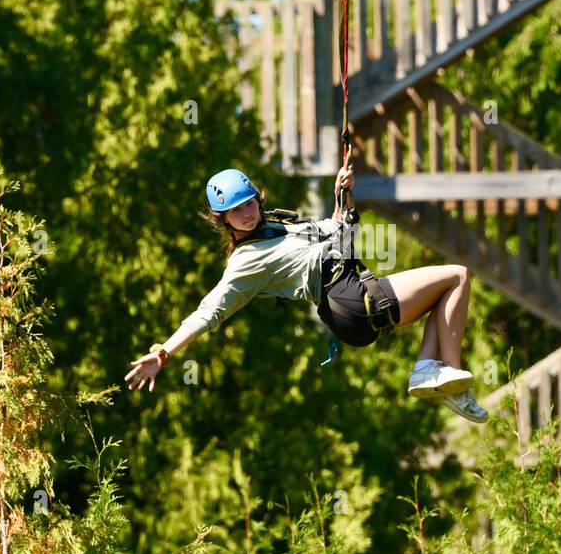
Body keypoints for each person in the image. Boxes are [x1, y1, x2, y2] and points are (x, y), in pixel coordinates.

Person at [124, 166, 488, 422]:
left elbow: (333, 230)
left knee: (442, 294)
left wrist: (340, 194)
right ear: (223, 220)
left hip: (352, 299)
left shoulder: (277, 226)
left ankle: (428, 369)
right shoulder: (244, 262)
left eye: (249, 203)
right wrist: (164, 352)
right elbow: (209, 311)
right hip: (350, 300)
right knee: (456, 276)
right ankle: (450, 373)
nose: (247, 213)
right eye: (236, 211)